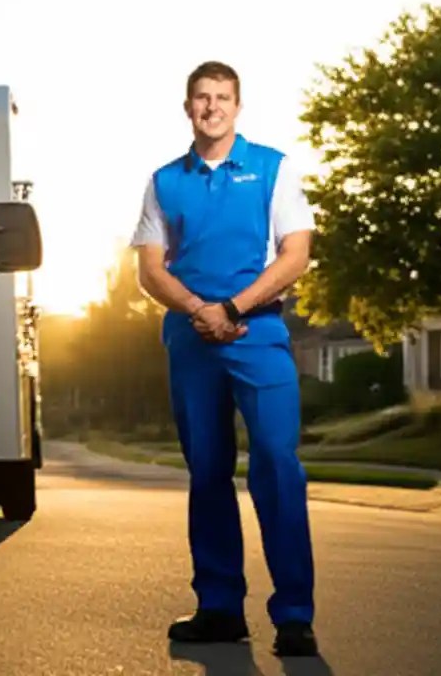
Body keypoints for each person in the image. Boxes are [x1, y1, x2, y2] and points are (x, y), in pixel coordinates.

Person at [130, 60, 319, 658]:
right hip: (192, 340)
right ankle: (219, 608)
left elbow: (296, 255)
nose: (212, 107)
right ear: (187, 107)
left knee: (275, 463)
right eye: (201, 98)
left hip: (257, 335)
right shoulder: (163, 181)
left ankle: (293, 615)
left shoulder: (273, 168)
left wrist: (232, 307)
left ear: (238, 106)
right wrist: (198, 309)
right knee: (207, 471)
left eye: (222, 98)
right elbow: (150, 269)